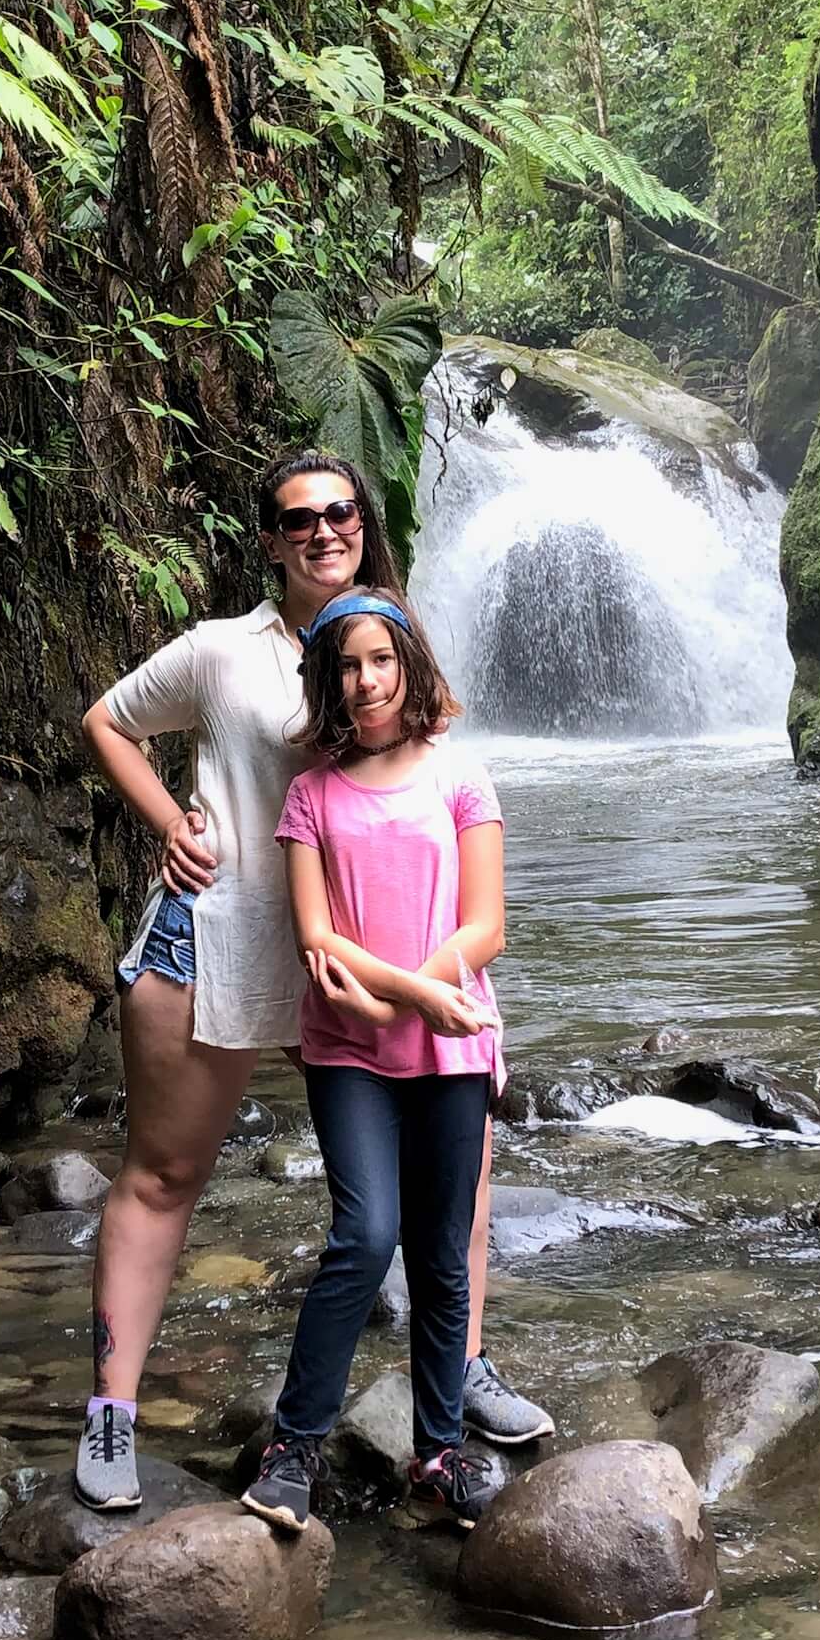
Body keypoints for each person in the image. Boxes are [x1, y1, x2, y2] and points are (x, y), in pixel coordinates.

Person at [75, 452, 550, 1511]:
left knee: (452, 1189)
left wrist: (459, 987)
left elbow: (439, 813)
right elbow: (107, 720)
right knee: (163, 1176)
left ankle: (456, 1377)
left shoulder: (392, 637)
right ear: (270, 538)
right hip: (238, 937)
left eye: (340, 512)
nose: (322, 530)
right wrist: (173, 823)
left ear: (362, 524)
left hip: (388, 959)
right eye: (298, 519)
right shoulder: (217, 652)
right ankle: (112, 1416)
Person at [240, 589, 506, 1535]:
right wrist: (419, 995)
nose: (366, 682)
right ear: (328, 680)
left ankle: (436, 1457)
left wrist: (425, 995)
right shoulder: (311, 795)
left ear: (410, 665)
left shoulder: (462, 779)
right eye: (347, 666)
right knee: (364, 1236)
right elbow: (316, 932)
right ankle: (293, 1448)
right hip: (349, 1047)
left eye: (381, 661)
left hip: (450, 1049)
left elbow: (487, 925)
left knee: (440, 1258)